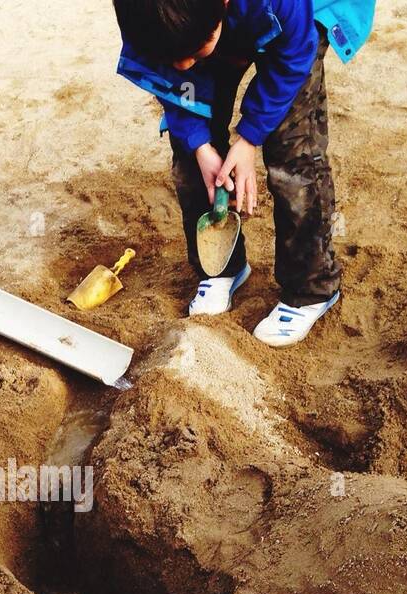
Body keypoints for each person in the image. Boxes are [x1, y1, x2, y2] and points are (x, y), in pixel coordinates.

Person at [114, 0, 373, 345]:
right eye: (171, 55)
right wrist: (199, 143)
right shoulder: (145, 12)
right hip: (212, 18)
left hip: (298, 17)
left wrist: (250, 138)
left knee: (292, 148)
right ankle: (220, 265)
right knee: (192, 148)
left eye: (192, 49)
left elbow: (293, 58)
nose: (184, 65)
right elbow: (173, 71)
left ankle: (311, 288)